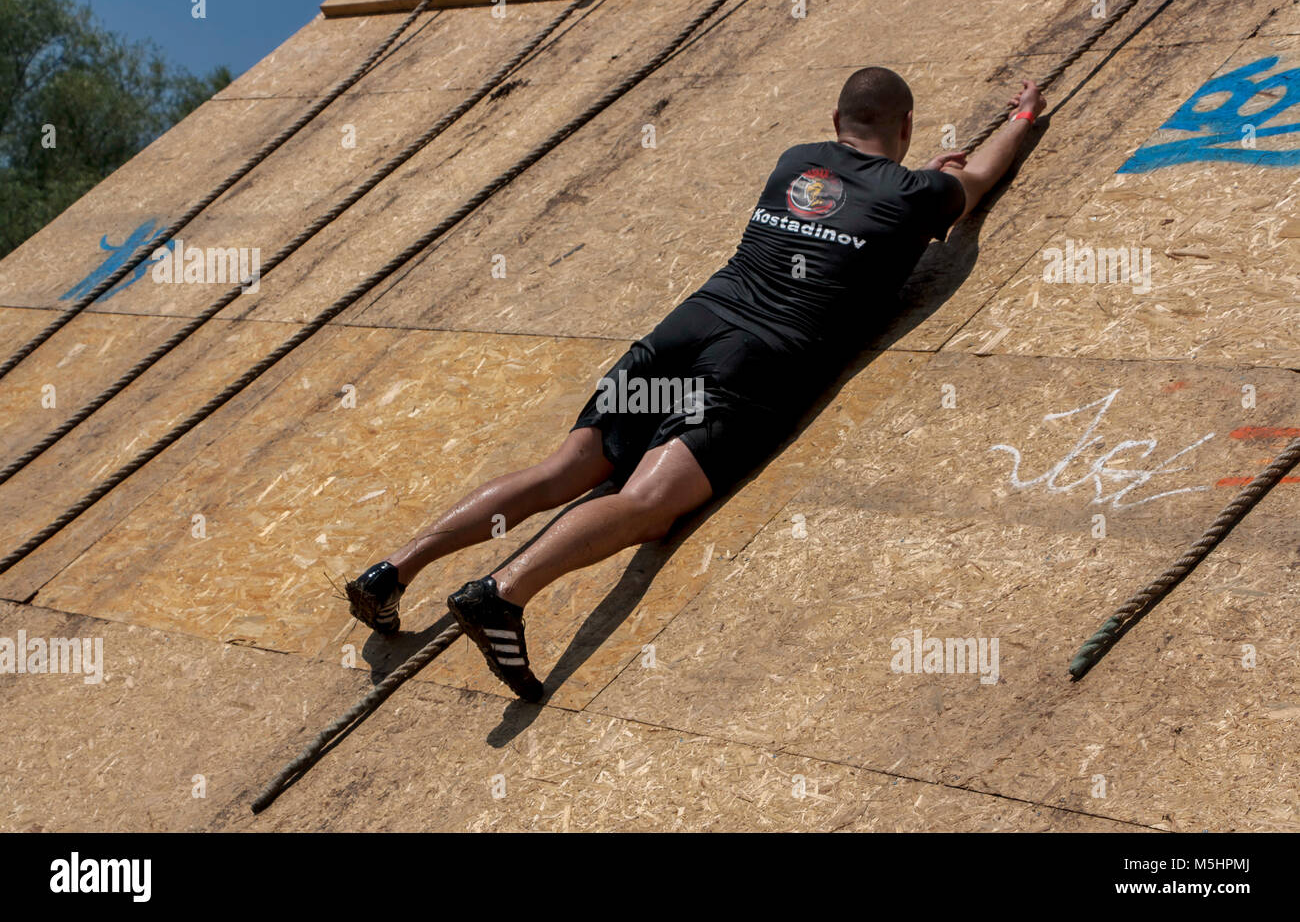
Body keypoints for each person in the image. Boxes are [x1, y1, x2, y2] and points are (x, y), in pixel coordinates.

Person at [346, 67, 1046, 702]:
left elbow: (850, 198)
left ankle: (394, 572)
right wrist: (1018, 121)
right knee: (649, 504)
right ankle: (503, 593)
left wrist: (914, 176)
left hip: (686, 328)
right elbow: (979, 179)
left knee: (566, 468)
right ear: (907, 128)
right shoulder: (919, 193)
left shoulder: (796, 163)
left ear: (835, 123)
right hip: (756, 362)